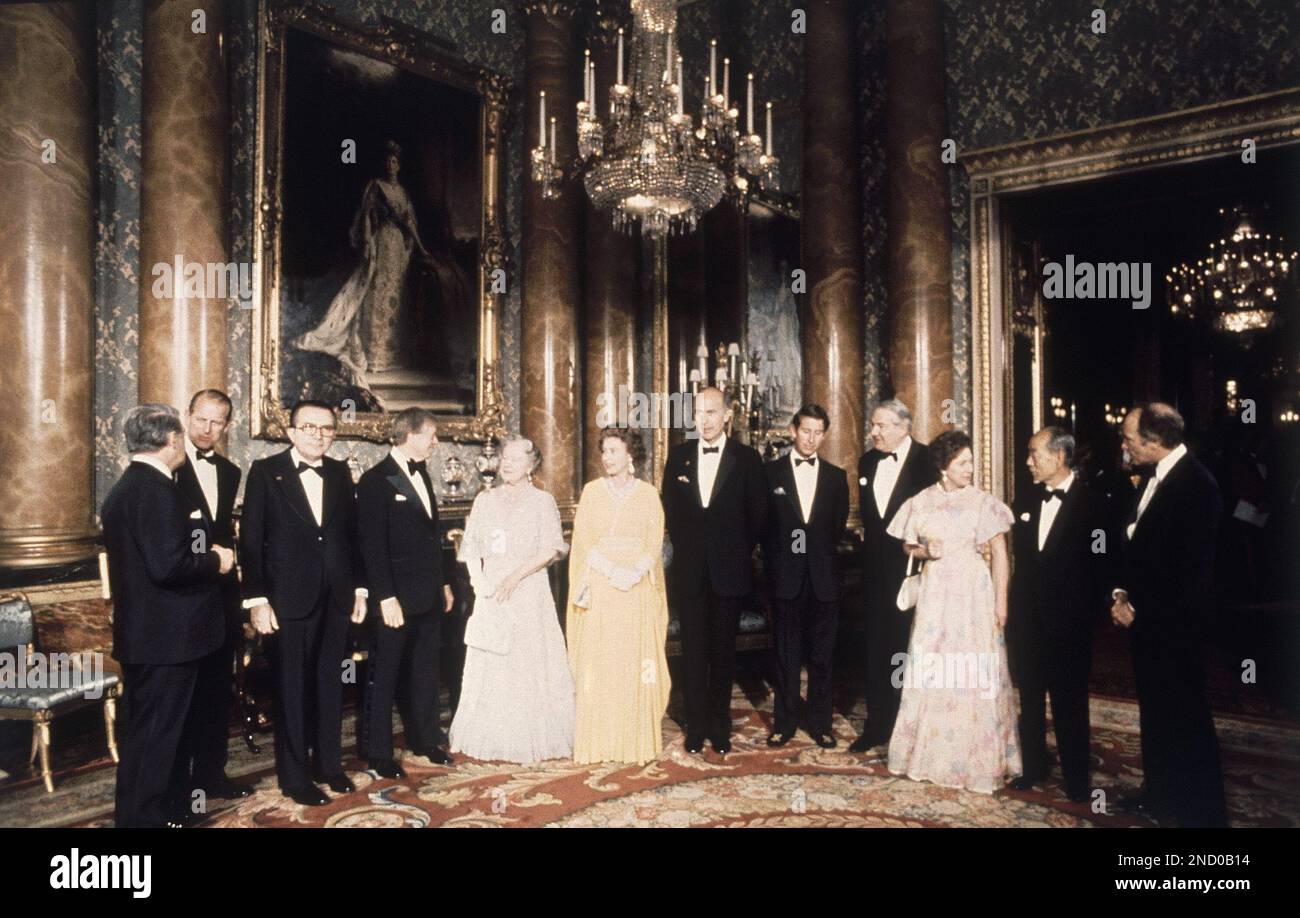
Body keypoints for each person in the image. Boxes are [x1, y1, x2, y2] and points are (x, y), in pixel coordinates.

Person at [101, 404, 235, 827]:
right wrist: (216, 560)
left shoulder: (126, 487)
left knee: (148, 737)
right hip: (168, 639)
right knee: (158, 739)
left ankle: (152, 815)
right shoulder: (157, 490)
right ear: (172, 440)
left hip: (147, 635)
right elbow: (168, 567)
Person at [239, 400, 368, 806]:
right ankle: (294, 777)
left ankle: (329, 765)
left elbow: (353, 537)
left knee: (331, 684)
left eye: (327, 428)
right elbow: (250, 543)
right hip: (288, 599)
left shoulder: (340, 471)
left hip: (336, 597)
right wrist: (257, 600)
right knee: (292, 688)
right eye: (309, 427)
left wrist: (360, 590)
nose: (318, 434)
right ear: (291, 432)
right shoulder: (265, 471)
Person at [1110, 403, 1227, 827]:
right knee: (1156, 711)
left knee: (1186, 715)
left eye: (1128, 438)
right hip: (1147, 621)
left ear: (1155, 442)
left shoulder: (1197, 485)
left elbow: (1187, 573)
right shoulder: (1154, 478)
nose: (1122, 445)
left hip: (1176, 624)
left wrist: (1139, 612)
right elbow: (1137, 545)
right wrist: (1122, 593)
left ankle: (1200, 812)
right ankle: (1160, 796)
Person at [885, 430, 1021, 793]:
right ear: (943, 467)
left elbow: (1001, 557)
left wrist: (1001, 603)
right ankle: (932, 756)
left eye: (972, 462)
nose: (970, 469)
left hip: (973, 594)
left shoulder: (983, 503)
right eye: (963, 463)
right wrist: (926, 552)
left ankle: (976, 761)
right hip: (935, 594)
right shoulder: (921, 501)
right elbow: (907, 545)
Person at [450, 437, 574, 763]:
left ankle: (528, 736)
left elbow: (550, 548)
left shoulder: (543, 501)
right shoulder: (484, 500)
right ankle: (491, 734)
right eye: (504, 457)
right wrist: (481, 586)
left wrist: (514, 577)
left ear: (531, 465)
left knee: (528, 660)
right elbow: (472, 549)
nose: (507, 464)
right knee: (492, 659)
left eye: (516, 459)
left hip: (528, 590)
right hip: (492, 592)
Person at [661, 387, 766, 754]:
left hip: (730, 572)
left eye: (711, 412)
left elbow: (758, 518)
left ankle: (720, 727)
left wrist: (732, 552)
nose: (704, 420)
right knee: (692, 653)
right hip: (689, 574)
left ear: (727, 416)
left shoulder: (748, 459)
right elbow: (672, 515)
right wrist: (694, 552)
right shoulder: (678, 459)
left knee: (723, 653)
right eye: (698, 413)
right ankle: (696, 726)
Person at [1008, 427, 1107, 802]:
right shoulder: (1025, 501)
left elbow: (1101, 564)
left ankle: (1077, 779)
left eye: (1034, 453)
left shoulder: (1095, 504)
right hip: (1028, 620)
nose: (1028, 461)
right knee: (1030, 696)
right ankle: (1033, 767)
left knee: (1069, 700)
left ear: (1060, 457)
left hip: (1070, 623)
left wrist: (1090, 613)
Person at [356, 408, 457, 778]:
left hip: (428, 596)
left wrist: (444, 582)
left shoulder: (423, 474)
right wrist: (385, 597)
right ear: (410, 434)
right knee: (384, 674)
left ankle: (426, 740)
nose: (435, 441)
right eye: (431, 434)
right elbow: (372, 546)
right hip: (395, 600)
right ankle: (378, 752)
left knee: (425, 672)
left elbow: (433, 539)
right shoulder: (375, 480)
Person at [294, 140, 437, 387]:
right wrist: (368, 243)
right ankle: (374, 356)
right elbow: (368, 217)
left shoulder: (402, 192)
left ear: (399, 166)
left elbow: (410, 224)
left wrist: (422, 248)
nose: (391, 165)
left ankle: (393, 355)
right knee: (376, 298)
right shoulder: (376, 186)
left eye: (395, 161)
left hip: (399, 250)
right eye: (388, 161)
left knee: (396, 299)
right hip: (381, 244)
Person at [169, 388, 252, 809]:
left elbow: (223, 537)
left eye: (217, 421)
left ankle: (211, 775)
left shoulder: (231, 471)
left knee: (217, 691)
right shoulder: (167, 467)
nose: (207, 429)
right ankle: (178, 789)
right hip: (181, 597)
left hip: (220, 598)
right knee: (183, 696)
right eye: (201, 418)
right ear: (187, 415)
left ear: (226, 426)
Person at [568, 428, 671, 764]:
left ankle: (634, 742)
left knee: (635, 664)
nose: (606, 457)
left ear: (631, 455)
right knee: (603, 665)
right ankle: (601, 743)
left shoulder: (648, 494)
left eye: (613, 450)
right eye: (604, 451)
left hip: (636, 590)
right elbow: (583, 543)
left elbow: (654, 543)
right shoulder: (592, 492)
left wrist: (634, 572)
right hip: (602, 588)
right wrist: (613, 573)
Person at [761, 405, 849, 748]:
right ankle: (784, 724)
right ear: (793, 431)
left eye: (818, 433)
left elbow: (836, 527)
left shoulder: (835, 477)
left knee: (822, 657)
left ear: (824, 436)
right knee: (786, 656)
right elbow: (763, 526)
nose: (811, 439)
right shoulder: (771, 474)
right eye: (806, 431)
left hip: (824, 580)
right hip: (785, 578)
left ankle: (820, 725)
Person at [850, 399, 934, 754]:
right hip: (873, 572)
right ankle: (876, 725)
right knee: (875, 648)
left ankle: (908, 725)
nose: (873, 432)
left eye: (881, 426)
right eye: (873, 424)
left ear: (904, 427)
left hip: (913, 572)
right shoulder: (867, 461)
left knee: (909, 648)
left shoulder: (928, 462)